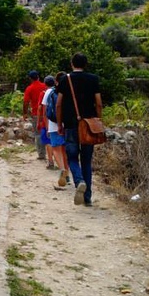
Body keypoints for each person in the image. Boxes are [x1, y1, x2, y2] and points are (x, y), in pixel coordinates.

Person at [56, 53, 103, 206]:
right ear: (86, 64)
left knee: (72, 157)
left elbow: (59, 104)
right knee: (87, 161)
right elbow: (99, 103)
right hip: (88, 125)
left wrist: (59, 124)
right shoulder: (93, 79)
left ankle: (79, 180)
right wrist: (98, 120)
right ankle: (87, 198)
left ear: (72, 64)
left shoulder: (65, 79)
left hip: (71, 125)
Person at [42, 72, 69, 188]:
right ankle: (67, 172)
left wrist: (47, 127)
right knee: (65, 150)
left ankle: (62, 169)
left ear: (56, 81)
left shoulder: (49, 91)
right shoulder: (70, 90)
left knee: (56, 149)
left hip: (54, 124)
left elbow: (45, 111)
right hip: (68, 124)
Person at [22, 70, 48, 160]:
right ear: (38, 76)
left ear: (30, 78)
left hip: (36, 113)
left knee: (38, 133)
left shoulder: (29, 88)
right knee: (49, 131)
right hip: (47, 112)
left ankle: (41, 154)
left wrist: (24, 113)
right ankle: (51, 152)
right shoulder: (45, 86)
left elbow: (25, 102)